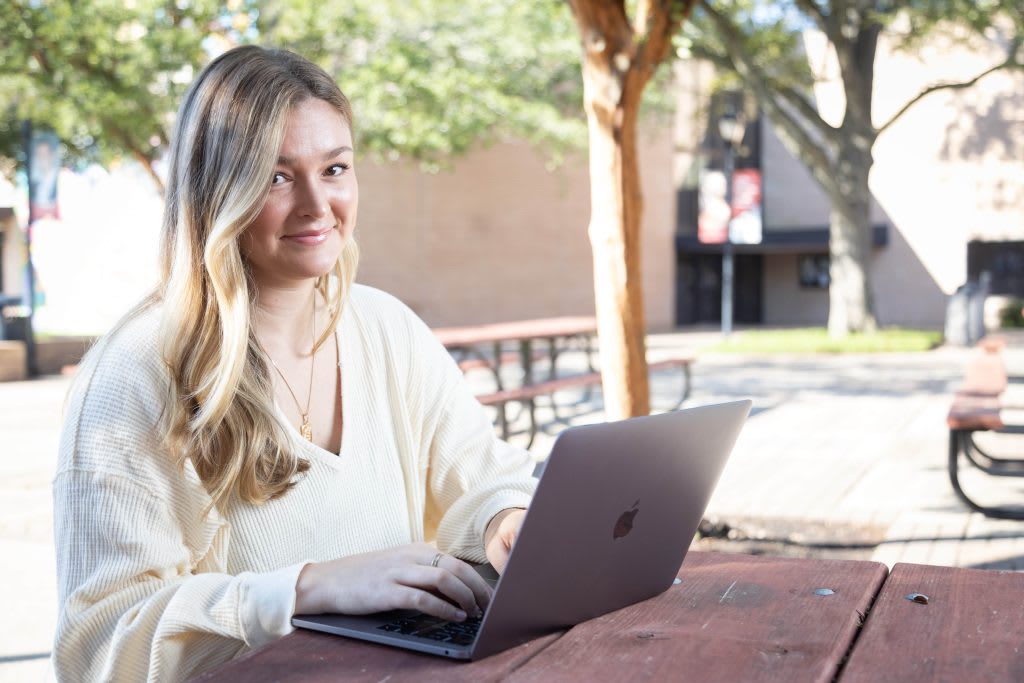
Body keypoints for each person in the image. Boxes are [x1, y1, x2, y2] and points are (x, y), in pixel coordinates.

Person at [51, 45, 536, 682]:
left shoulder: (385, 328)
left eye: (335, 168)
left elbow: (483, 481)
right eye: (277, 177)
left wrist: (509, 523)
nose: (316, 205)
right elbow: (99, 645)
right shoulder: (136, 377)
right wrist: (305, 591)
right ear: (218, 193)